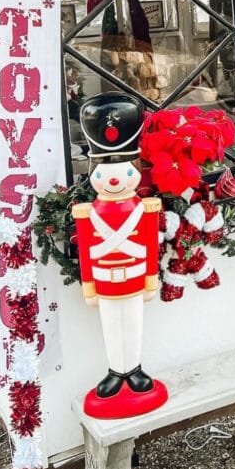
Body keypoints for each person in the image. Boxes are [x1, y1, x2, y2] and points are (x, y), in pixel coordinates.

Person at [72, 92, 168, 418]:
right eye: (103, 170)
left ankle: (134, 368)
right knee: (111, 325)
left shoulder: (144, 209)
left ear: (137, 169)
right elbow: (86, 250)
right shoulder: (88, 214)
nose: (113, 178)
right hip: (105, 281)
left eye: (125, 169)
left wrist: (150, 280)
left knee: (134, 323)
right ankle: (117, 370)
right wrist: (89, 287)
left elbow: (149, 244)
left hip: (134, 275)